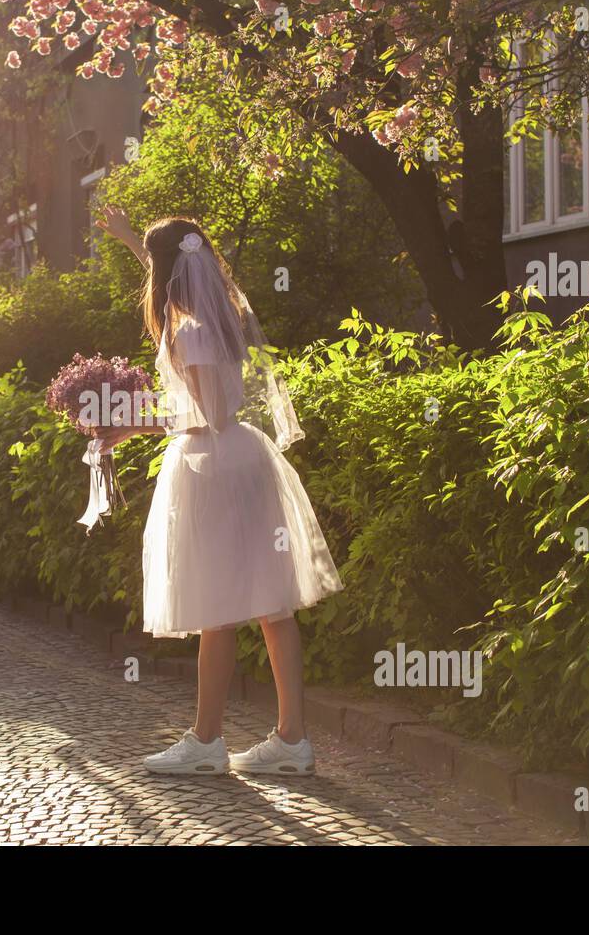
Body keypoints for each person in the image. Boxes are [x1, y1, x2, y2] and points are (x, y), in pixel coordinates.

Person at [95, 207, 344, 775]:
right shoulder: (219, 311)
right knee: (270, 606)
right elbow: (176, 272)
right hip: (246, 459)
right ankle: (292, 739)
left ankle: (207, 742)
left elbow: (205, 414)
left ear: (163, 276)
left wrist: (133, 424)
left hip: (212, 465)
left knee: (218, 609)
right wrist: (133, 240)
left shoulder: (188, 330)